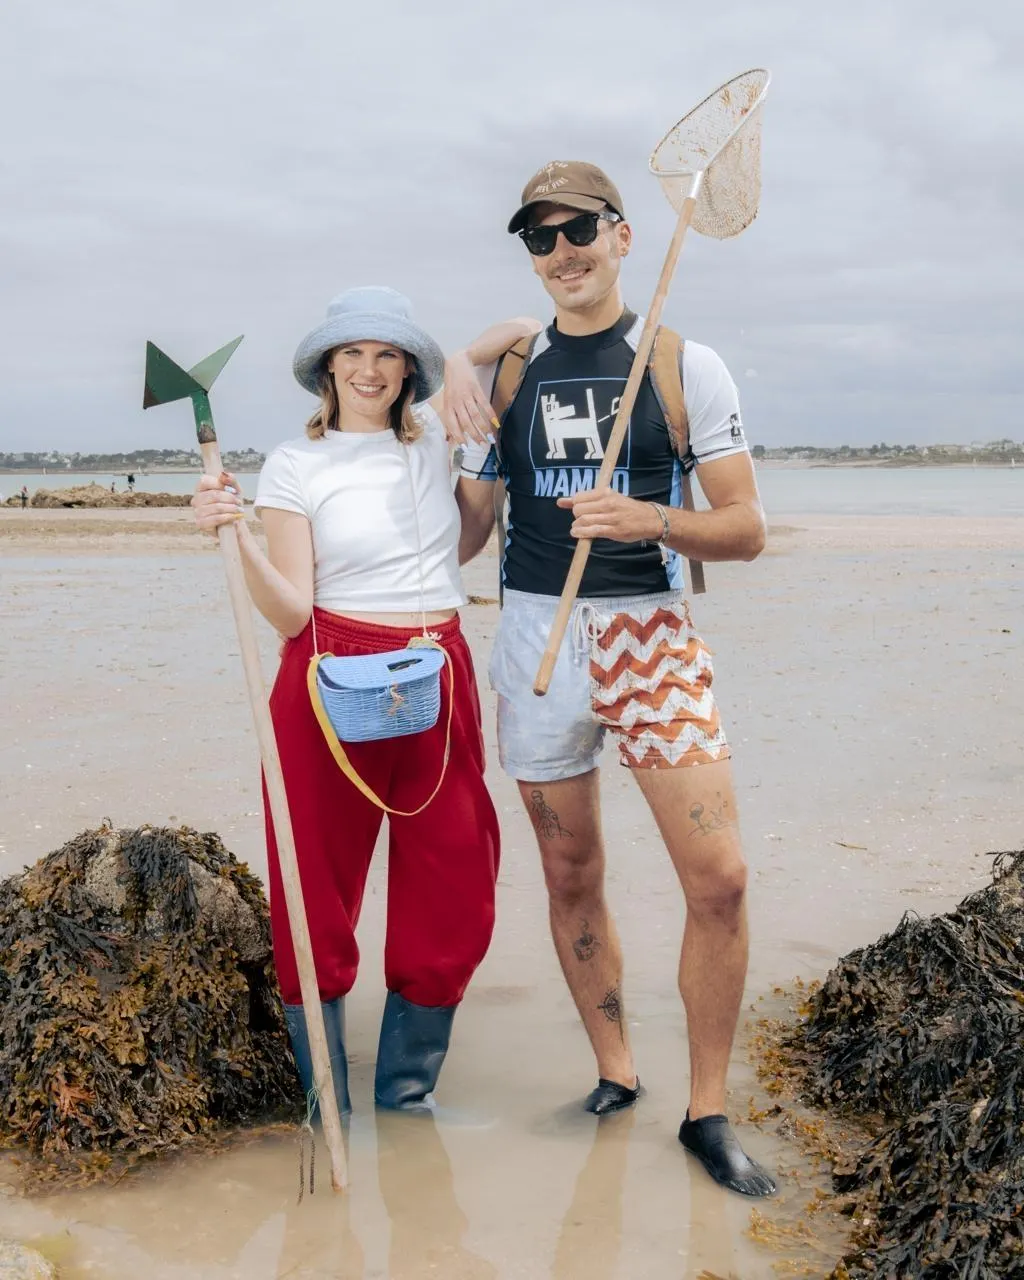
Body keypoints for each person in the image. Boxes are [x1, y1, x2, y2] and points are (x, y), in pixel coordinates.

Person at [445, 163, 776, 1196]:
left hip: (651, 630)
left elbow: (747, 527)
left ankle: (707, 1109)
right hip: (535, 642)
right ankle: (615, 1068)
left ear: (623, 234)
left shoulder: (682, 362)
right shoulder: (507, 373)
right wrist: (452, 426)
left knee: (718, 878)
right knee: (568, 873)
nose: (561, 252)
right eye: (539, 239)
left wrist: (653, 520)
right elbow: (462, 538)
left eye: (578, 229)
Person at [192, 286, 531, 1118]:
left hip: (434, 663)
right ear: (327, 369)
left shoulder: (433, 446)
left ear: (409, 368)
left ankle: (406, 1098)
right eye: (353, 354)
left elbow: (523, 329)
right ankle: (326, 1103)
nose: (370, 370)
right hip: (326, 668)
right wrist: (235, 540)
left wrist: (461, 359)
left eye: (387, 354)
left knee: (455, 877)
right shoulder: (294, 464)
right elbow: (292, 611)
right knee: (313, 884)